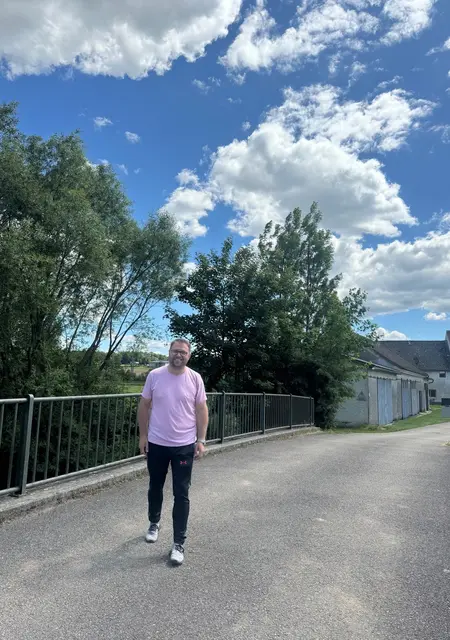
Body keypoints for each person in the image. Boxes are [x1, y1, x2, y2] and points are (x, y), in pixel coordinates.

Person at [138, 338, 208, 566]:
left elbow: (201, 409)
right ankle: (154, 522)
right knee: (155, 486)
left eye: (183, 352)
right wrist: (143, 436)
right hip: (157, 442)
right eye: (175, 351)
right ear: (169, 352)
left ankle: (178, 543)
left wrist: (201, 440)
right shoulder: (154, 376)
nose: (179, 355)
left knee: (182, 493)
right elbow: (144, 405)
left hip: (184, 445)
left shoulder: (195, 378)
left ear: (189, 356)